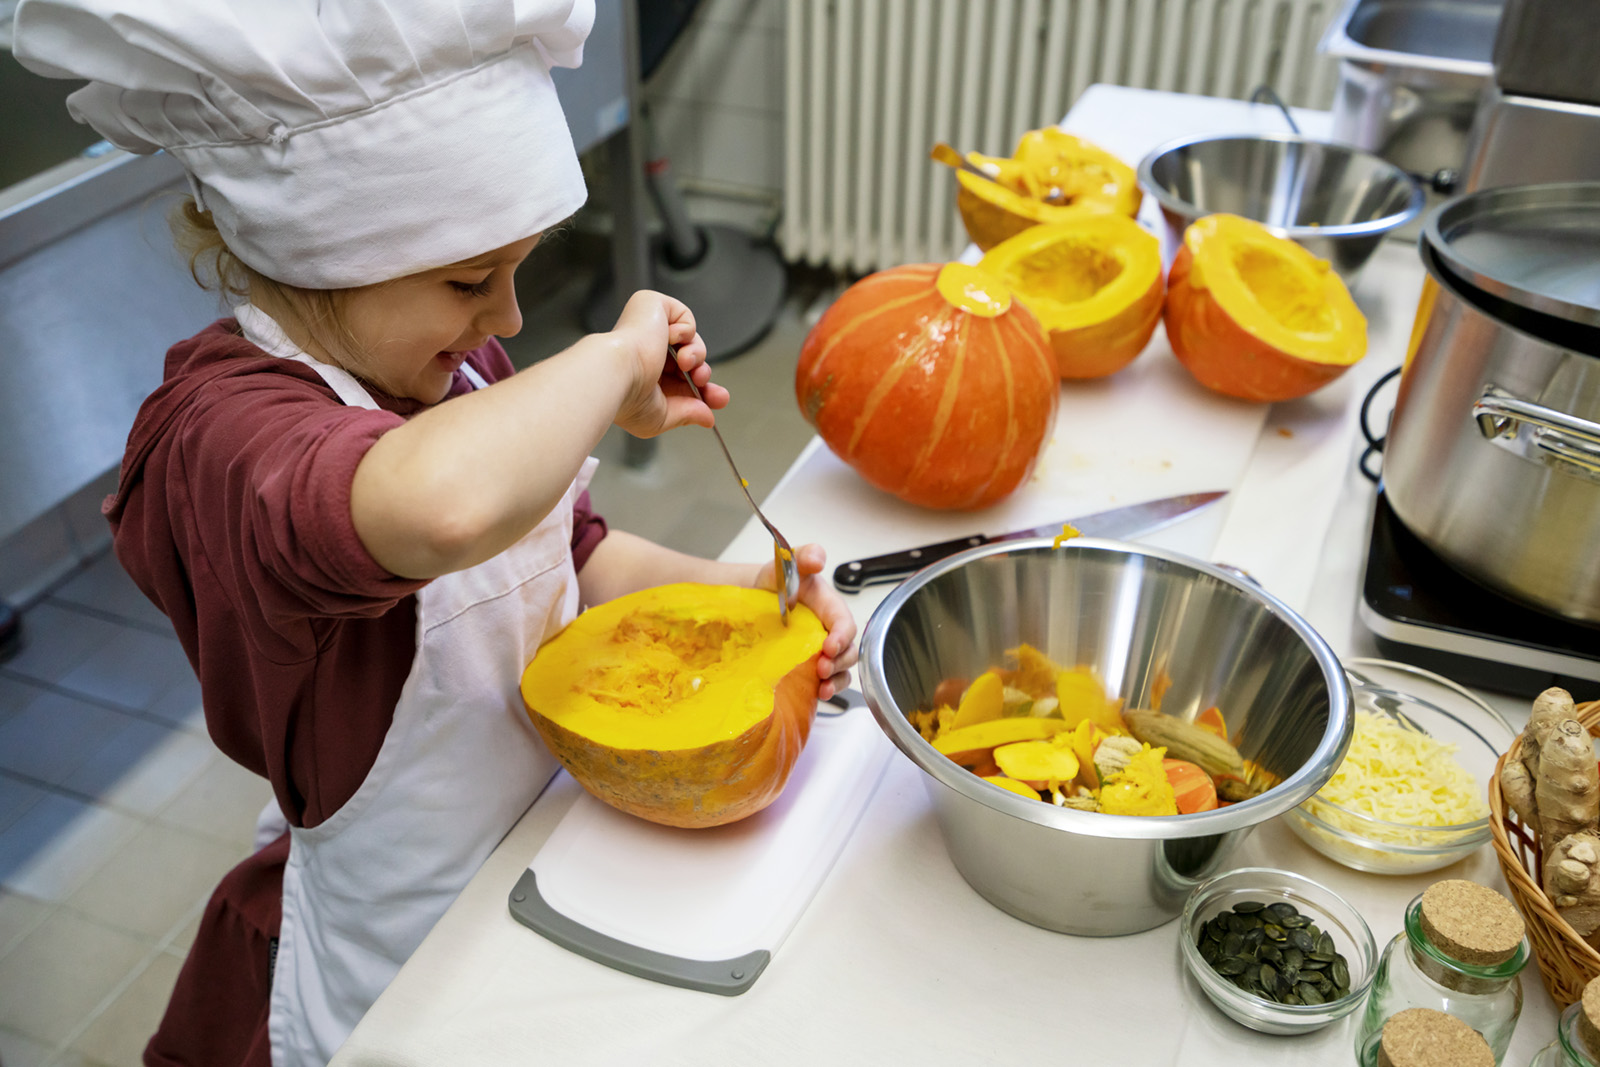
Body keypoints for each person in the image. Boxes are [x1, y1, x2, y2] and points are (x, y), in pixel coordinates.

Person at [12, 2, 858, 1065]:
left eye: (517, 270)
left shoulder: (455, 373)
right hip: (401, 966)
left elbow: (574, 551)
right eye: (469, 281)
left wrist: (749, 602)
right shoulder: (225, 437)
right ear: (321, 248)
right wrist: (612, 355)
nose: (507, 318)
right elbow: (438, 507)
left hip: (551, 860)